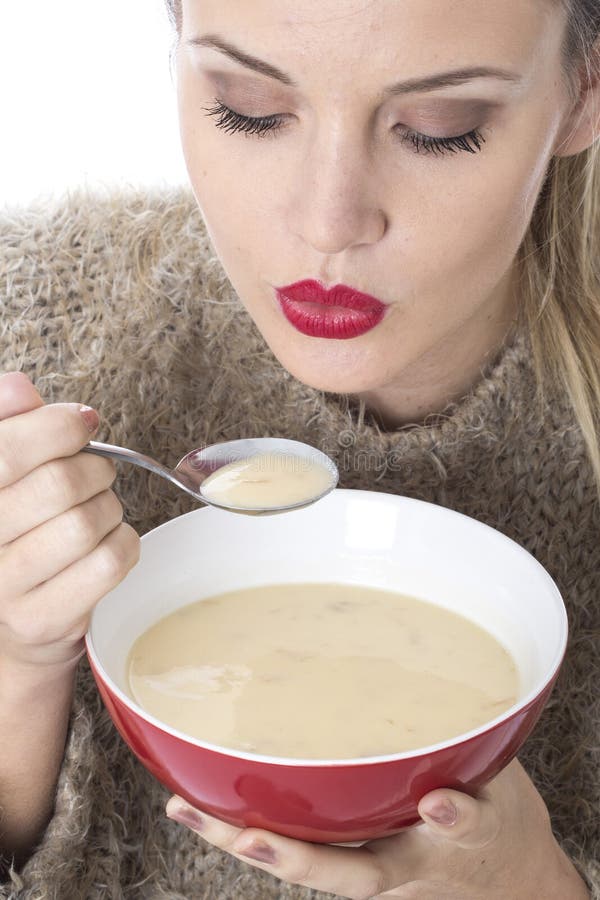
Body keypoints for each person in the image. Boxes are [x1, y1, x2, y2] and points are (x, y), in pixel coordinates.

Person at [0, 0, 599, 896]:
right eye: (249, 108)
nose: (328, 223)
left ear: (584, 92)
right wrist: (17, 664)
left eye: (439, 129)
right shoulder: (29, 325)